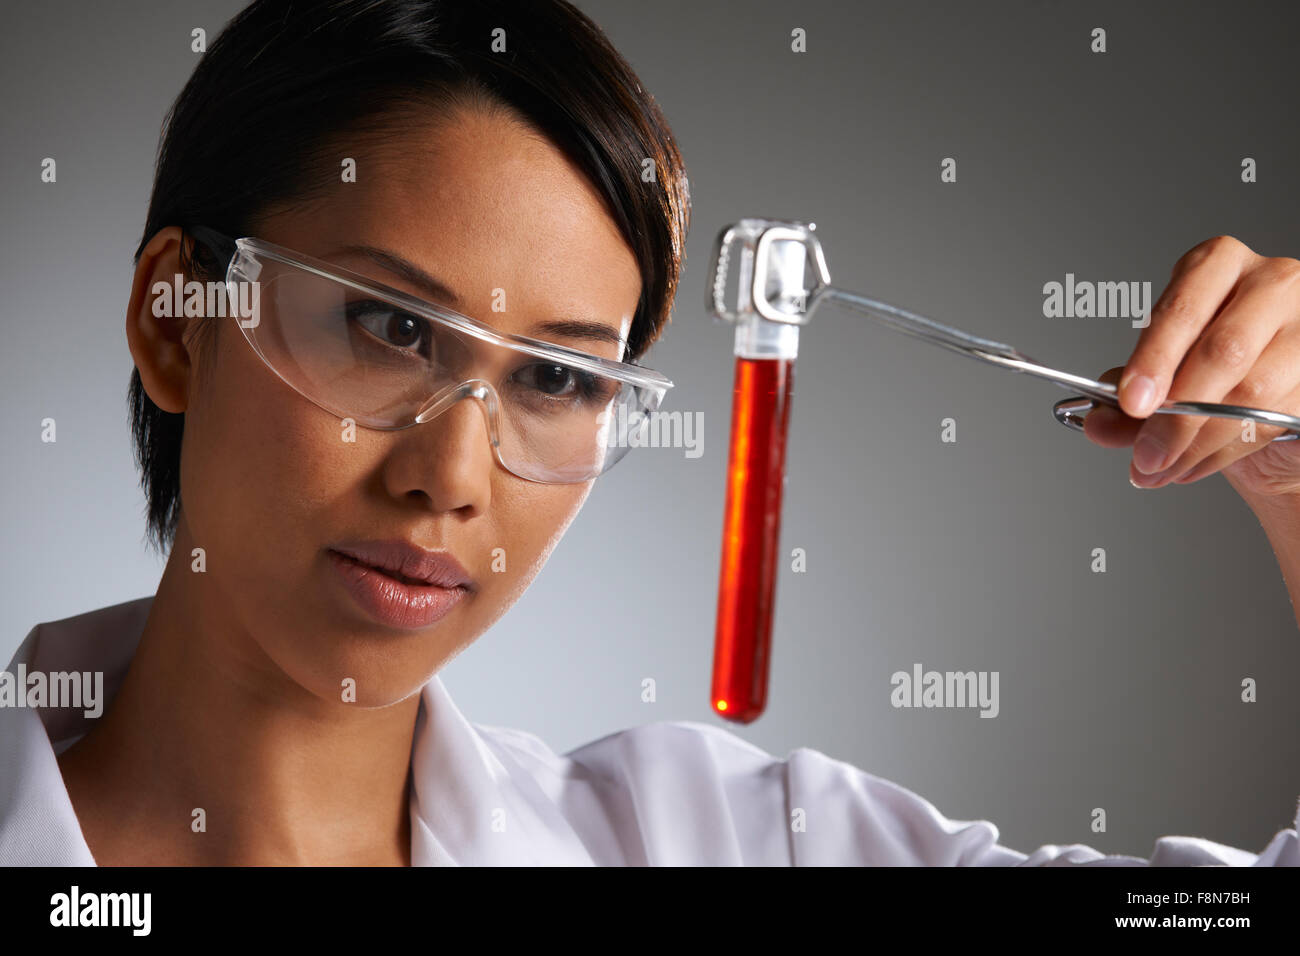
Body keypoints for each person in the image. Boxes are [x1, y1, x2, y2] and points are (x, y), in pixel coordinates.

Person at [2, 0, 1297, 866]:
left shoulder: (706, 843)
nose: (451, 478)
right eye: (390, 330)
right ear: (178, 321)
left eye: (557, 379)